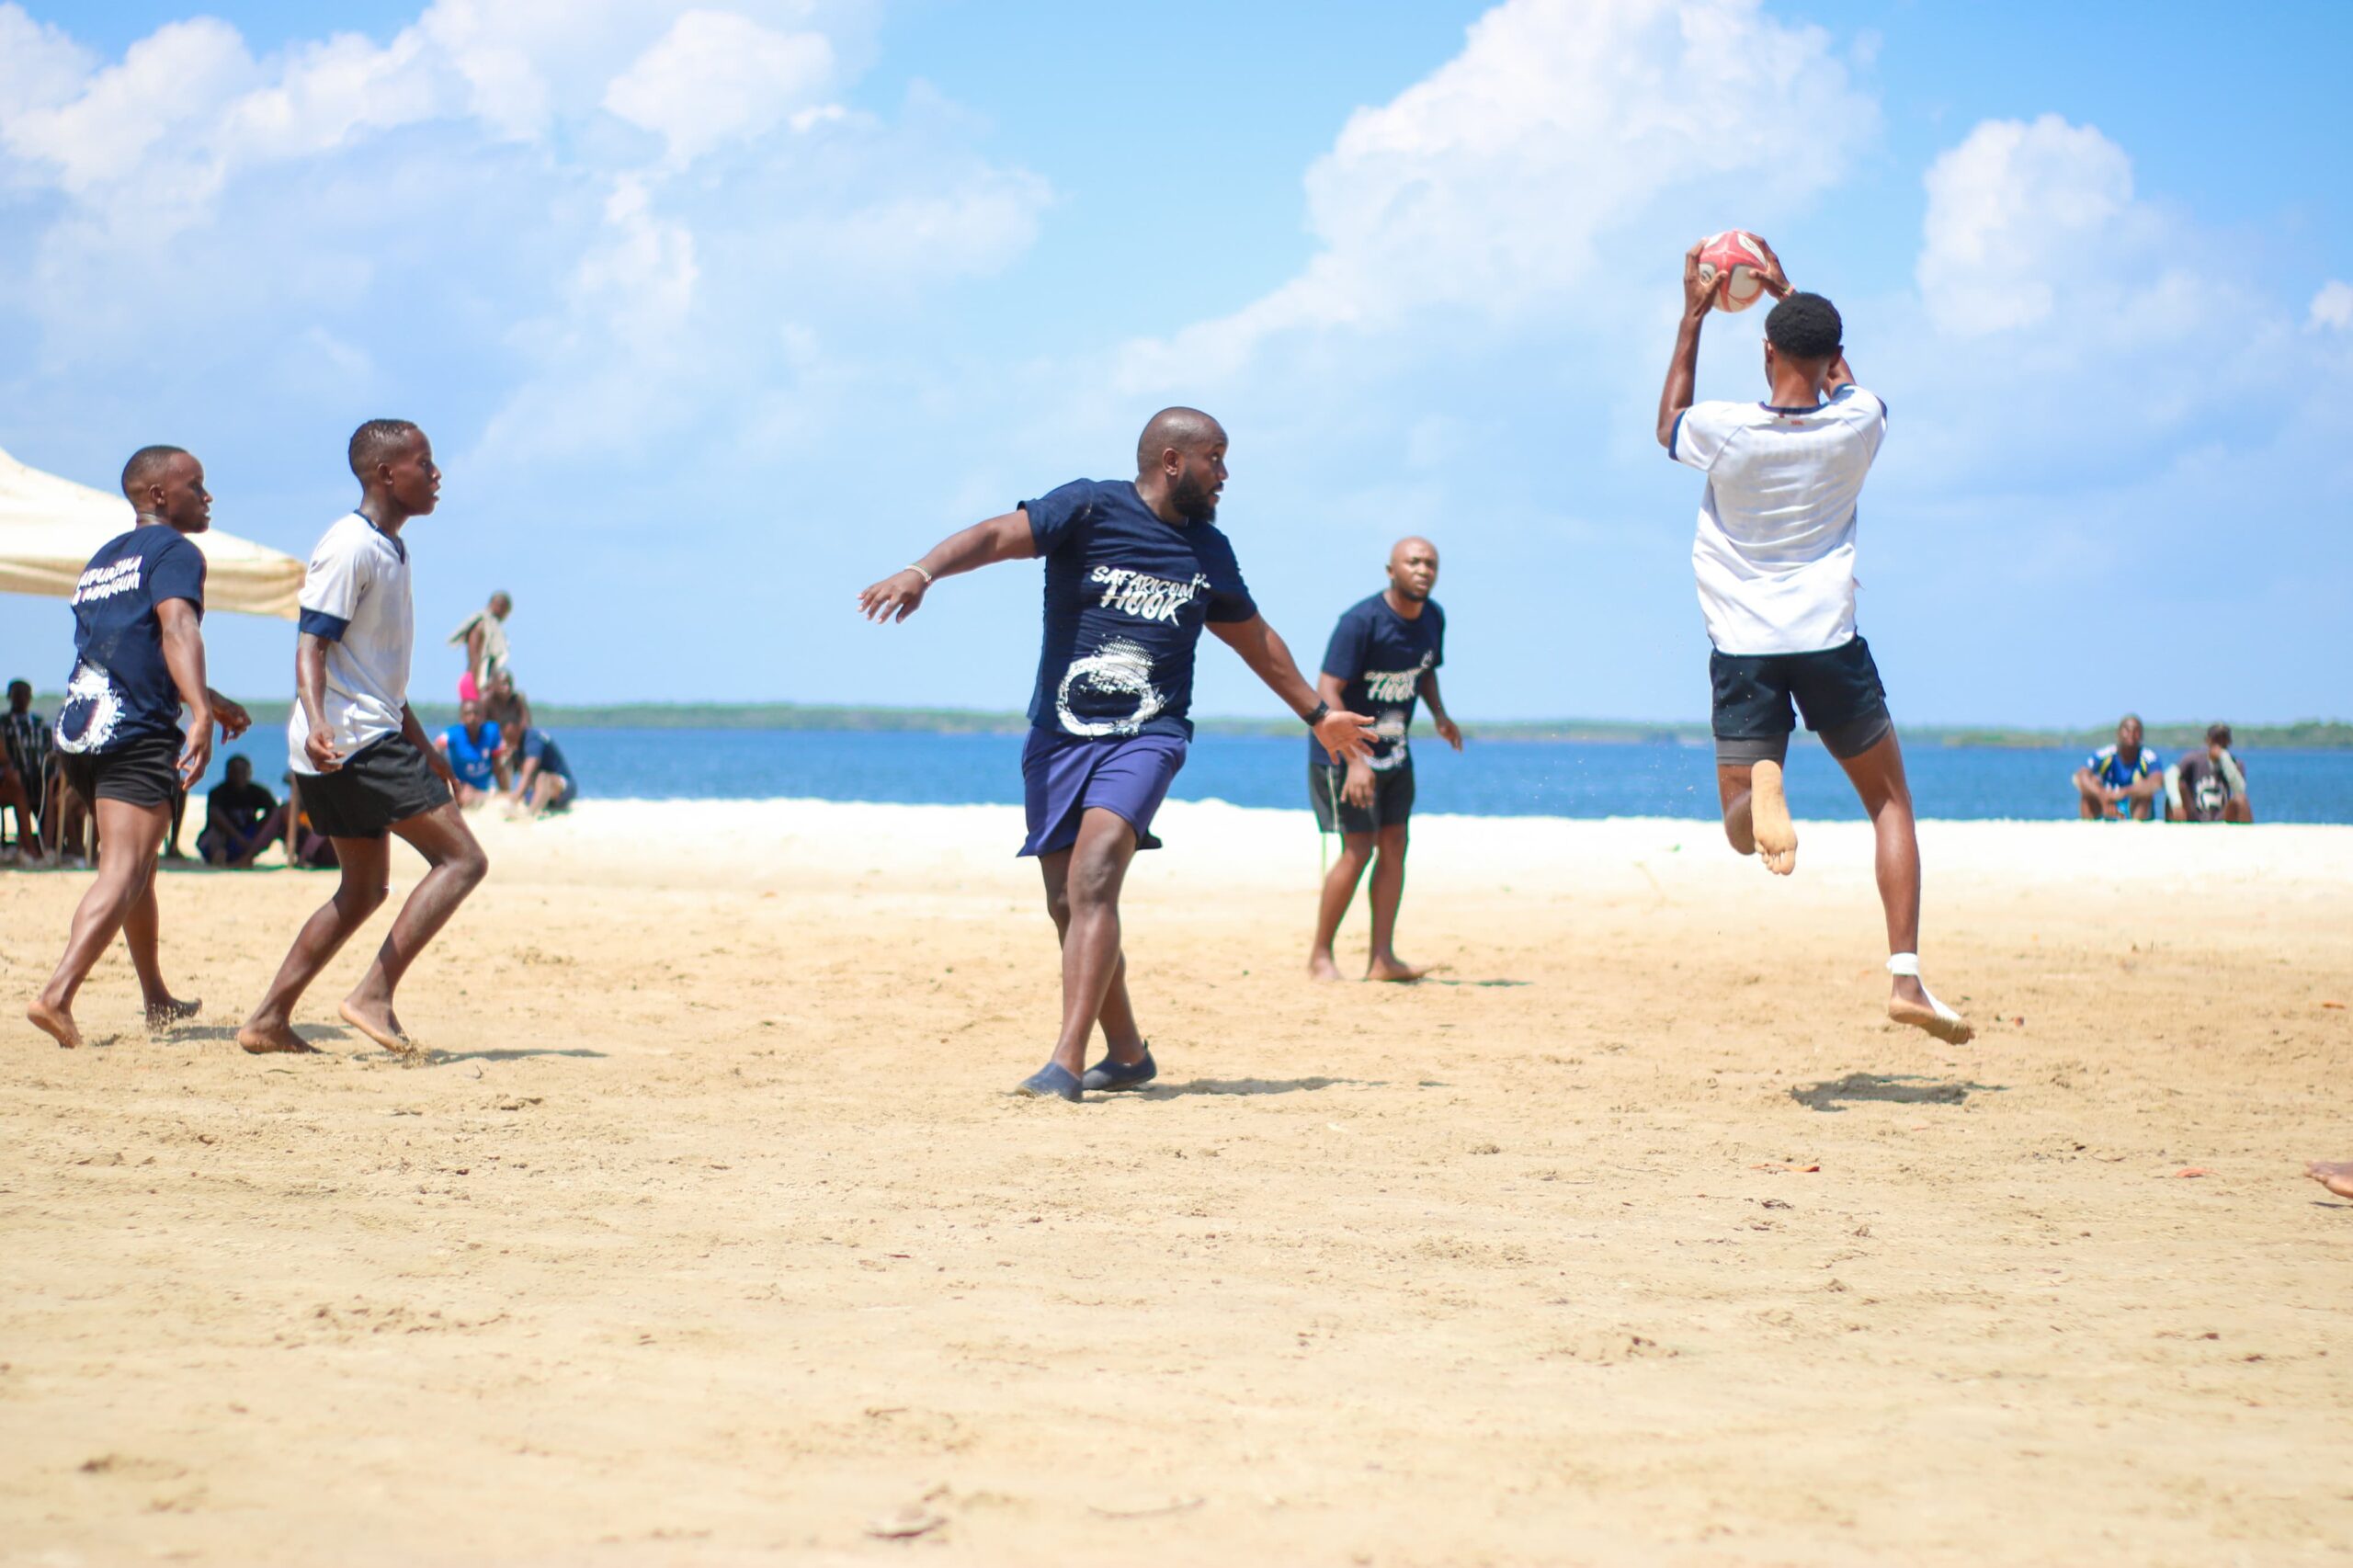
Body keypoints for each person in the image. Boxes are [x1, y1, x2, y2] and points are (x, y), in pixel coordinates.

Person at [858, 406, 1374, 1101]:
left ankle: (1065, 1063)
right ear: (1172, 461)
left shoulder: (1207, 552)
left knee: (1095, 875)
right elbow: (995, 535)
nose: (1224, 475)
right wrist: (923, 570)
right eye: (1214, 459)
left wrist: (1318, 715)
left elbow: (1254, 639)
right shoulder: (1089, 507)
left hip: (1149, 734)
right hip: (1059, 737)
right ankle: (1127, 1053)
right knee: (1066, 904)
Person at [1657, 241, 1972, 1046]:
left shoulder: (1725, 432)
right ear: (1834, 354)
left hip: (1743, 645)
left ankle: (1761, 787)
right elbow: (1848, 384)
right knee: (1890, 803)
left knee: (1736, 819)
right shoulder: (1860, 425)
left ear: (1765, 351)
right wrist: (1794, 298)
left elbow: (1668, 425)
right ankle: (1905, 976)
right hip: (1829, 640)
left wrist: (1694, 318)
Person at [236, 420, 487, 1057]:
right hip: (351, 739)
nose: (435, 475)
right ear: (386, 474)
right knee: (463, 860)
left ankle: (268, 1019)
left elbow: (376, 678)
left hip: (356, 734)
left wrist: (426, 747)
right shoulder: (351, 546)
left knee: (363, 889)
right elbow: (311, 642)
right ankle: (372, 995)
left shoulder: (391, 550)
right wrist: (317, 718)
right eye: (423, 463)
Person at [25, 446, 252, 1048]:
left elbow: (129, 649)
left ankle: (156, 997)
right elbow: (178, 627)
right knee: (124, 869)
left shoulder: (102, 561)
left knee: (137, 871)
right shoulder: (178, 551)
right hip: (135, 732)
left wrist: (210, 696)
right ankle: (56, 996)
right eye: (195, 486)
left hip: (81, 729)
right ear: (158, 495)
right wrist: (199, 713)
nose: (207, 497)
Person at [1306, 536, 1462, 983]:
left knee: (1395, 844)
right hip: (1342, 751)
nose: (1423, 569)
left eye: (1430, 563)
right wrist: (1355, 761)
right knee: (1358, 848)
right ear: (1391, 570)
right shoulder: (1361, 622)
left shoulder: (1433, 617)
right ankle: (1320, 957)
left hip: (1395, 750)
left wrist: (1440, 716)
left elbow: (1425, 669)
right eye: (1413, 562)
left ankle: (1382, 959)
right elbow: (1327, 688)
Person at [196, 754, 283, 867]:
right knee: (216, 832)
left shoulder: (257, 792)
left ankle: (246, 857)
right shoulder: (218, 792)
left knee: (276, 817)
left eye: (243, 772)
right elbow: (214, 814)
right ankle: (218, 855)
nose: (239, 776)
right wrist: (238, 837)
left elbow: (274, 811)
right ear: (228, 773)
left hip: (247, 838)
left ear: (249, 773)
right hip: (222, 838)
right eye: (235, 772)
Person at [2074, 713, 2161, 821]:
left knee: (2145, 789)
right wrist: (2101, 794)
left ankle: (2137, 830)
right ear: (2118, 733)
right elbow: (2081, 776)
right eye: (2127, 730)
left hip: (2134, 806)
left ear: (2142, 735)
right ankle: (2089, 828)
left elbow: (2157, 781)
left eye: (2136, 731)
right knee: (2091, 786)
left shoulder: (2148, 756)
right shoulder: (2105, 754)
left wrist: (2123, 793)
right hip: (2107, 803)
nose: (2131, 734)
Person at [2165, 722, 2252, 824]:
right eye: (2216, 739)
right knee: (2176, 790)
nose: (2220, 743)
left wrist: (2224, 759)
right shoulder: (2194, 759)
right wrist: (2177, 804)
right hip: (2195, 814)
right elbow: (2170, 774)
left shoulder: (2235, 764)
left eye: (2224, 740)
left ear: (2229, 742)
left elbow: (2239, 790)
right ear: (2208, 741)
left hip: (2223, 816)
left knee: (2241, 800)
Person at [2, 679, 49, 862]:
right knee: (20, 793)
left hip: (38, 780)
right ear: (9, 697)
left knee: (52, 795)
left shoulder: (38, 725)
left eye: (24, 694)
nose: (21, 699)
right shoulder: (3, 724)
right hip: (12, 782)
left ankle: (48, 846)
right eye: (17, 694)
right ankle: (31, 850)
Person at [436, 698, 506, 808]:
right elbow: (436, 747)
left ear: (483, 716)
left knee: (505, 757)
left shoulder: (491, 731)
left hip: (482, 789)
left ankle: (501, 793)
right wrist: (450, 778)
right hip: (462, 788)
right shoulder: (453, 733)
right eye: (468, 714)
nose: (472, 717)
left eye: (476, 713)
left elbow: (497, 763)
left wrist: (504, 789)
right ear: (462, 717)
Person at [448, 591, 512, 701]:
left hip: (479, 681)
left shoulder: (493, 629)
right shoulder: (480, 626)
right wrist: (480, 685)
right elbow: (475, 658)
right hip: (475, 681)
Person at [508, 726, 575, 817]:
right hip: (539, 793)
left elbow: (529, 773)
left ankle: (531, 813)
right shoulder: (519, 748)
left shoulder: (534, 739)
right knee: (537, 782)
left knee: (543, 778)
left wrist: (514, 800)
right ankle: (533, 810)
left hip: (561, 787)